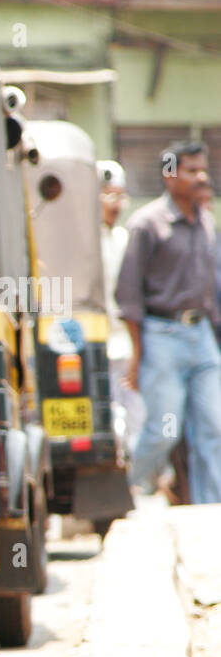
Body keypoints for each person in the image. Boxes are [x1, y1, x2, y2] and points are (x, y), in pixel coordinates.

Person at [116, 140, 221, 505]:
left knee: (214, 428)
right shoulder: (146, 225)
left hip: (202, 337)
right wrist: (138, 352)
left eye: (202, 169)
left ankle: (212, 511)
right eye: (191, 170)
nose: (200, 177)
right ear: (170, 174)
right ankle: (131, 489)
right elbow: (127, 295)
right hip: (161, 336)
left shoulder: (206, 223)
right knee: (166, 428)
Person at [99, 160, 144, 456]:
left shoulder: (124, 239)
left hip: (124, 343)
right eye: (108, 194)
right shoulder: (84, 241)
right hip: (97, 341)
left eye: (120, 195)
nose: (116, 202)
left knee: (136, 415)